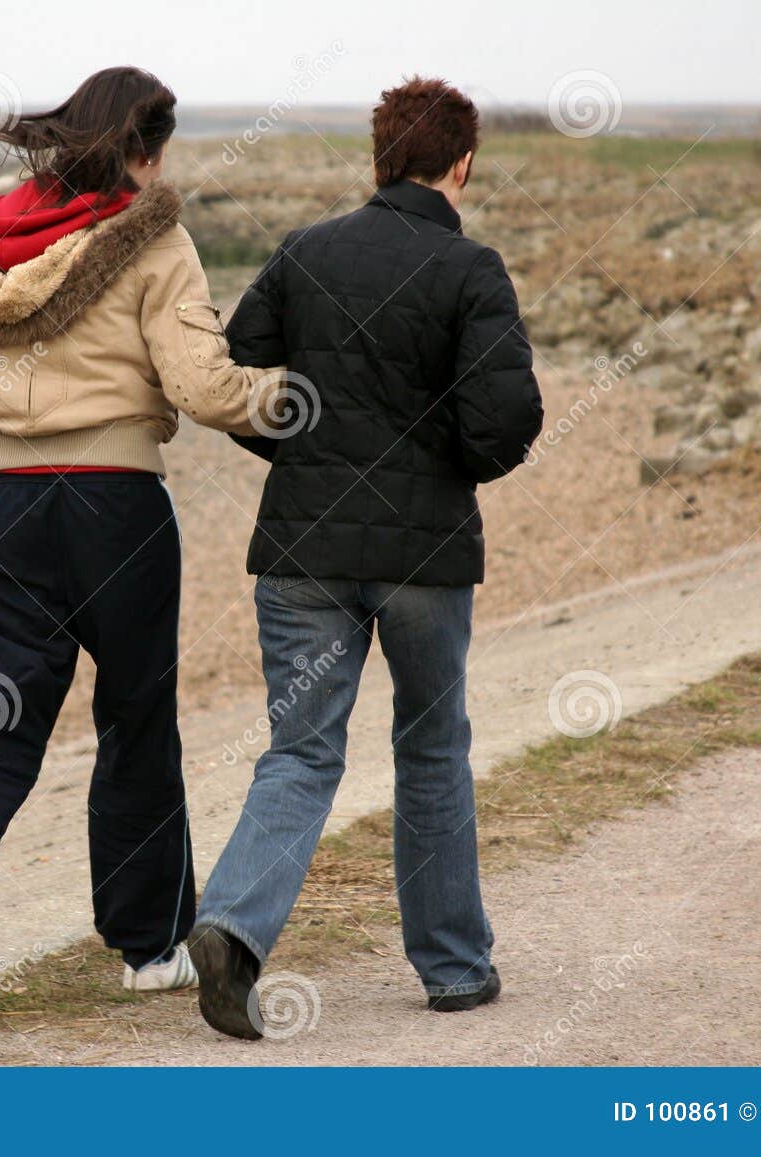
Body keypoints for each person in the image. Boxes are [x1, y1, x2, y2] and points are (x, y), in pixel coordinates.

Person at [0, 66, 282, 1020]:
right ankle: (151, 949)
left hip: (1, 508)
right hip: (116, 509)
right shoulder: (156, 237)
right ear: (142, 150)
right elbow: (199, 387)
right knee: (136, 721)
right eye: (160, 157)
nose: (160, 177)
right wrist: (283, 393)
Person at [188, 77, 544, 1038]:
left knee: (301, 753)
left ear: (380, 157)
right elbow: (508, 419)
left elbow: (239, 376)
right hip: (426, 558)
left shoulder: (305, 253)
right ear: (461, 164)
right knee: (432, 750)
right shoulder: (472, 270)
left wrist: (300, 453)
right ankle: (456, 971)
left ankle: (228, 925)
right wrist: (451, 469)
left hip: (302, 549)